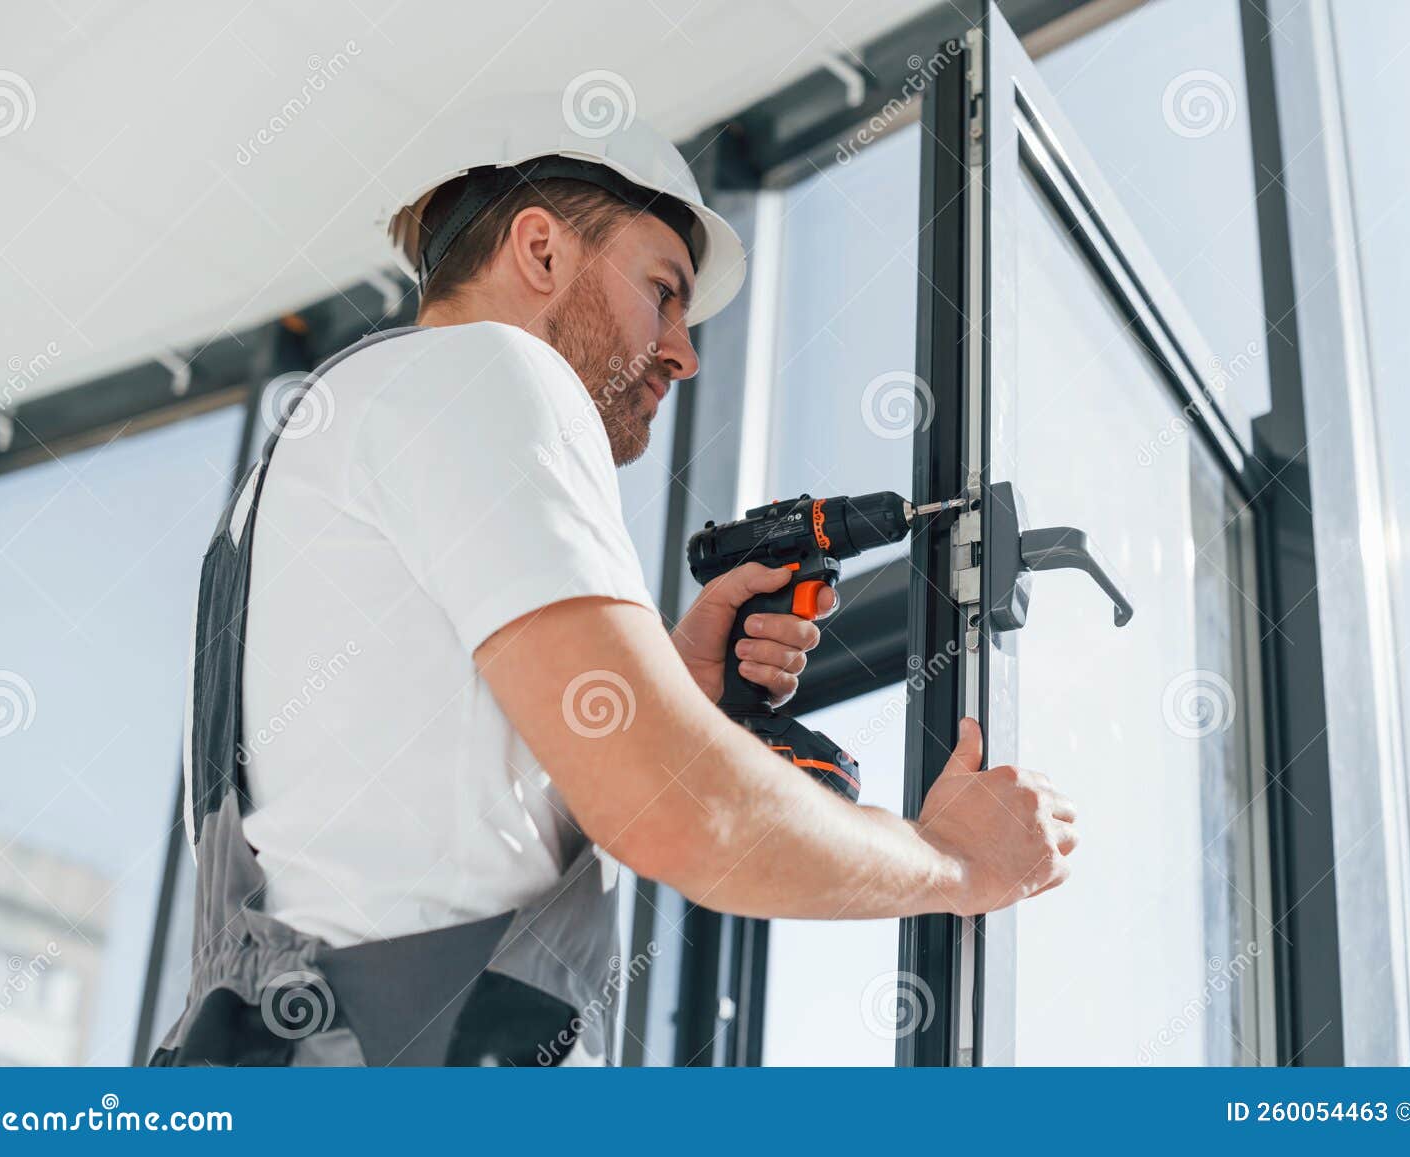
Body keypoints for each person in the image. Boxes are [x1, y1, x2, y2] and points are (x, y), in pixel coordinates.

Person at [155, 97, 1076, 1068]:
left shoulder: (323, 440)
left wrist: (664, 684)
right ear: (541, 252)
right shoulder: (488, 371)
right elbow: (685, 818)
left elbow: (442, 817)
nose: (682, 350)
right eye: (662, 290)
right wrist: (956, 860)